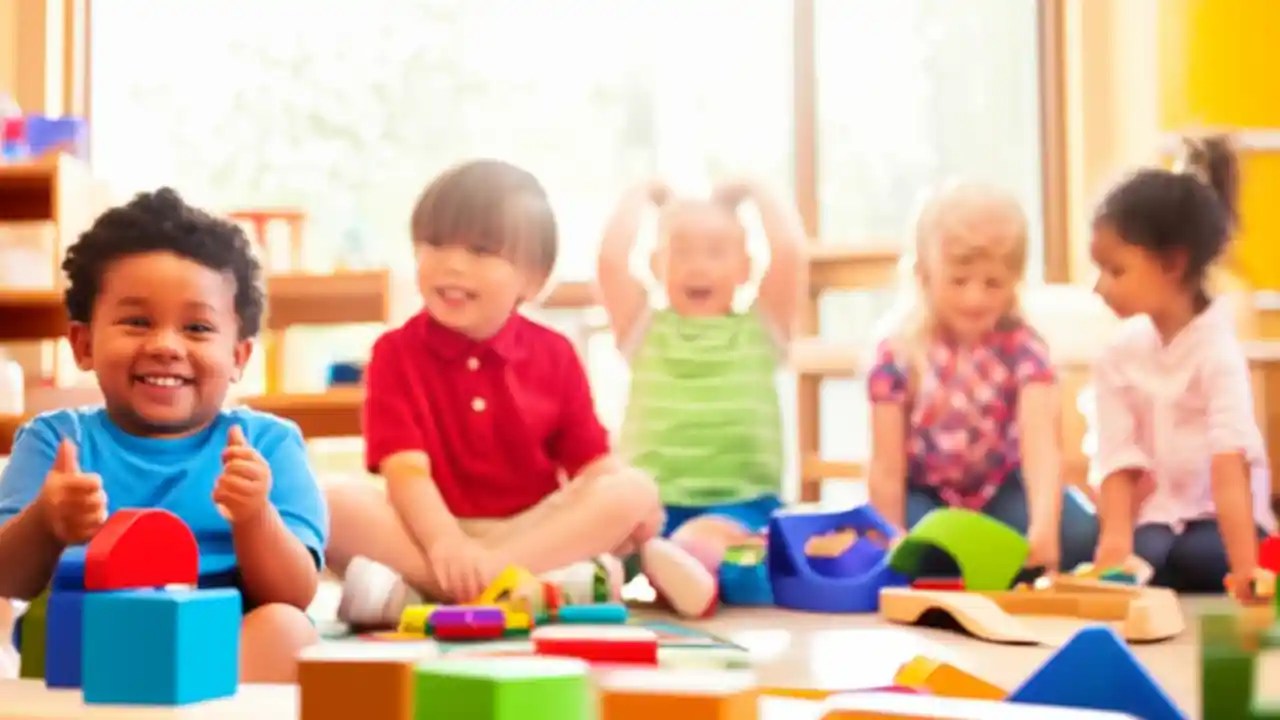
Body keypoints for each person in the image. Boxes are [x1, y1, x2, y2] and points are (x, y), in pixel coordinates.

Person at [327, 160, 703, 626]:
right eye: (435, 243)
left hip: (533, 535)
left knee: (631, 487)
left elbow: (592, 464)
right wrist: (447, 544)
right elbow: (405, 472)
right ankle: (529, 591)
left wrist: (635, 509)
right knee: (331, 502)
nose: (453, 263)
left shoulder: (555, 354)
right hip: (429, 533)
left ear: (535, 278)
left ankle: (440, 595)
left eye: (481, 251)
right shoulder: (393, 353)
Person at [0, 189, 328, 682]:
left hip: (223, 659)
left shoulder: (268, 446)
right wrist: (47, 520)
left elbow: (296, 592)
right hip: (94, 653)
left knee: (288, 628)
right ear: (83, 343)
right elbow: (9, 578)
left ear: (238, 357)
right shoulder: (55, 442)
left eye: (197, 327)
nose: (165, 346)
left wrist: (254, 516)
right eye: (136, 322)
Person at [867, 182, 1098, 575]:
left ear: (1014, 282)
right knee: (917, 541)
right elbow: (886, 468)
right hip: (925, 494)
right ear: (924, 275)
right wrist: (891, 539)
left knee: (1080, 532)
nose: (975, 298)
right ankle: (972, 561)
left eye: (993, 283)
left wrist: (1044, 532)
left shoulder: (1025, 349)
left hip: (1001, 492)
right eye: (958, 281)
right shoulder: (897, 353)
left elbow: (1041, 451)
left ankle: (991, 559)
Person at [596, 179, 805, 595]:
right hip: (649, 508)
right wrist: (639, 196)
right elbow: (610, 262)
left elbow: (791, 255)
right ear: (657, 265)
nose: (697, 266)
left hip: (738, 505)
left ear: (745, 268)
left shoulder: (762, 328)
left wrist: (756, 192)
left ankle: (689, 566)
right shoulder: (644, 327)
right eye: (682, 251)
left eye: (715, 251)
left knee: (701, 544)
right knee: (599, 534)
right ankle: (646, 566)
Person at [1090, 135, 1276, 598]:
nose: (1099, 288)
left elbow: (1229, 465)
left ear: (1173, 264)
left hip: (1217, 518)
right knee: (1148, 557)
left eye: (1115, 271)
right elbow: (1117, 455)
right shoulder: (1117, 355)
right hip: (1157, 517)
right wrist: (1114, 545)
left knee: (1202, 559)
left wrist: (1245, 570)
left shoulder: (1217, 351)